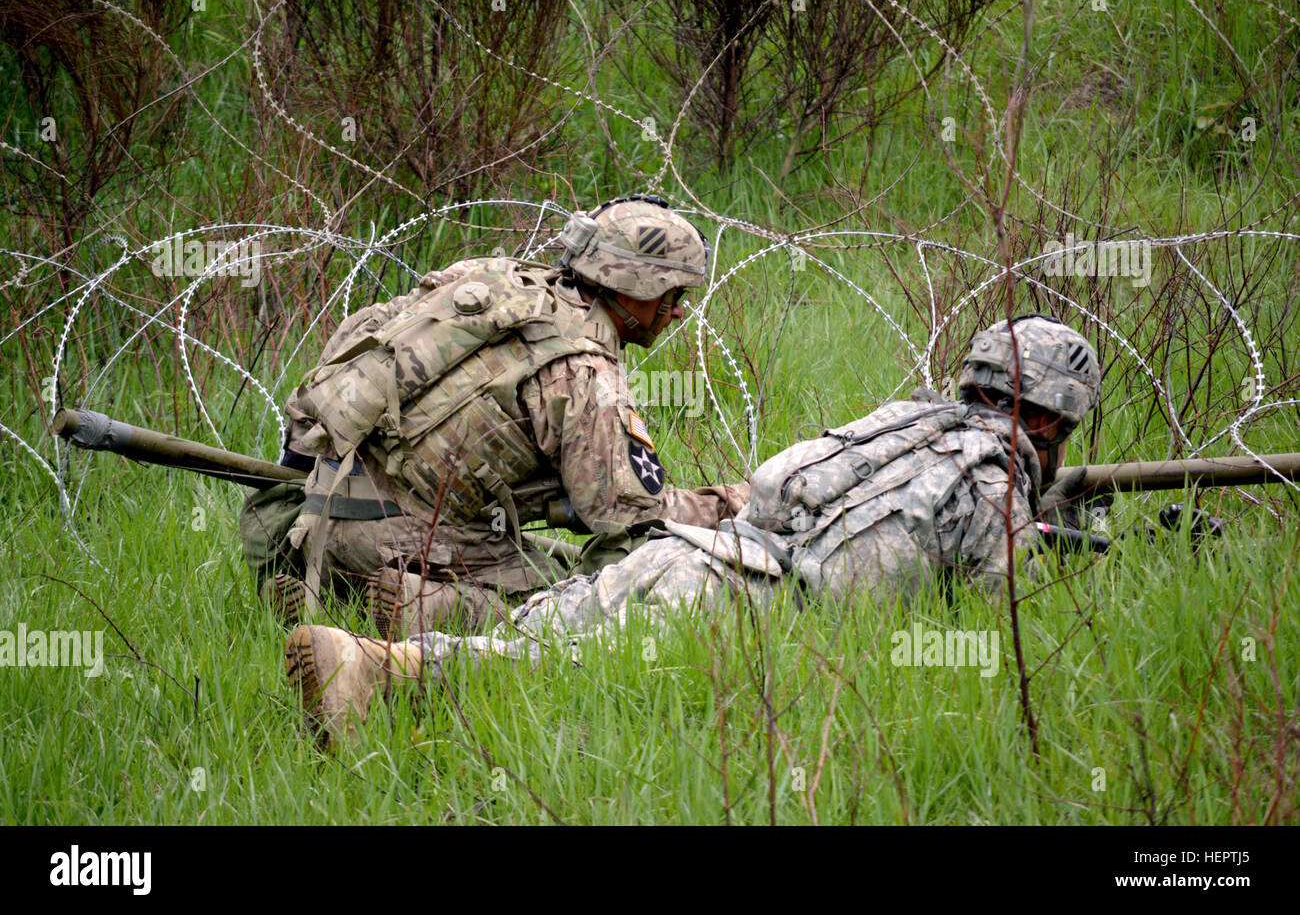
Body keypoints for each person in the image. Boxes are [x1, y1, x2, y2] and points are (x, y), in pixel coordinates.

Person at [283, 314, 1103, 746]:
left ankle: (416, 612)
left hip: (690, 552)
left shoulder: (896, 421)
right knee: (552, 670)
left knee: (552, 621)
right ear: (1052, 422)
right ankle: (369, 667)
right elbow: (1006, 619)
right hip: (749, 605)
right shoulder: (991, 485)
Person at [241, 196, 749, 639]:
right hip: (398, 544)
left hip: (312, 510)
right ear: (638, 289)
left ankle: (317, 587)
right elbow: (634, 517)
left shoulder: (486, 281)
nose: (678, 311)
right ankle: (426, 607)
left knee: (528, 546)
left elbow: (354, 345)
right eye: (674, 295)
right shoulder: (584, 372)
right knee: (573, 589)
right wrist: (732, 503)